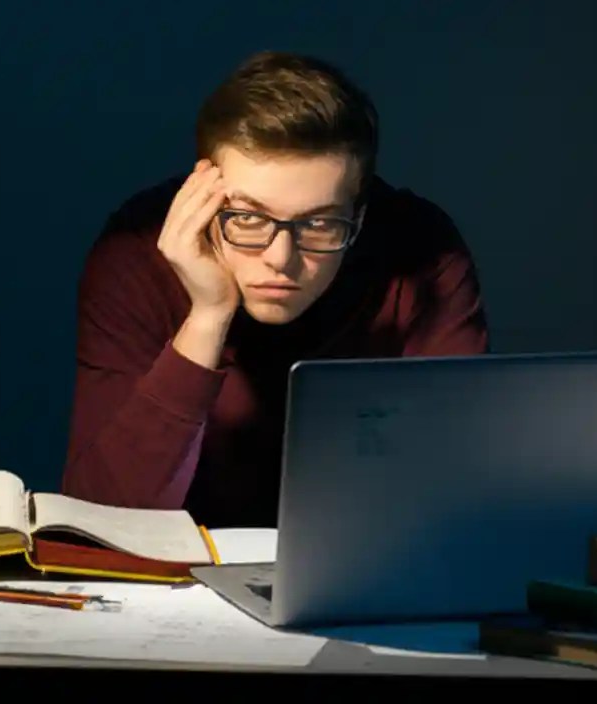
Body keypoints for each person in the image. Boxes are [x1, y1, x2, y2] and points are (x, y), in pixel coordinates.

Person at [61, 51, 489, 528]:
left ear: (360, 216)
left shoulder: (421, 248)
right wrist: (208, 317)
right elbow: (100, 521)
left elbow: (458, 485)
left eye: (321, 223)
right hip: (174, 584)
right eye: (246, 218)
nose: (280, 258)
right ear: (202, 196)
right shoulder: (136, 254)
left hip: (365, 569)